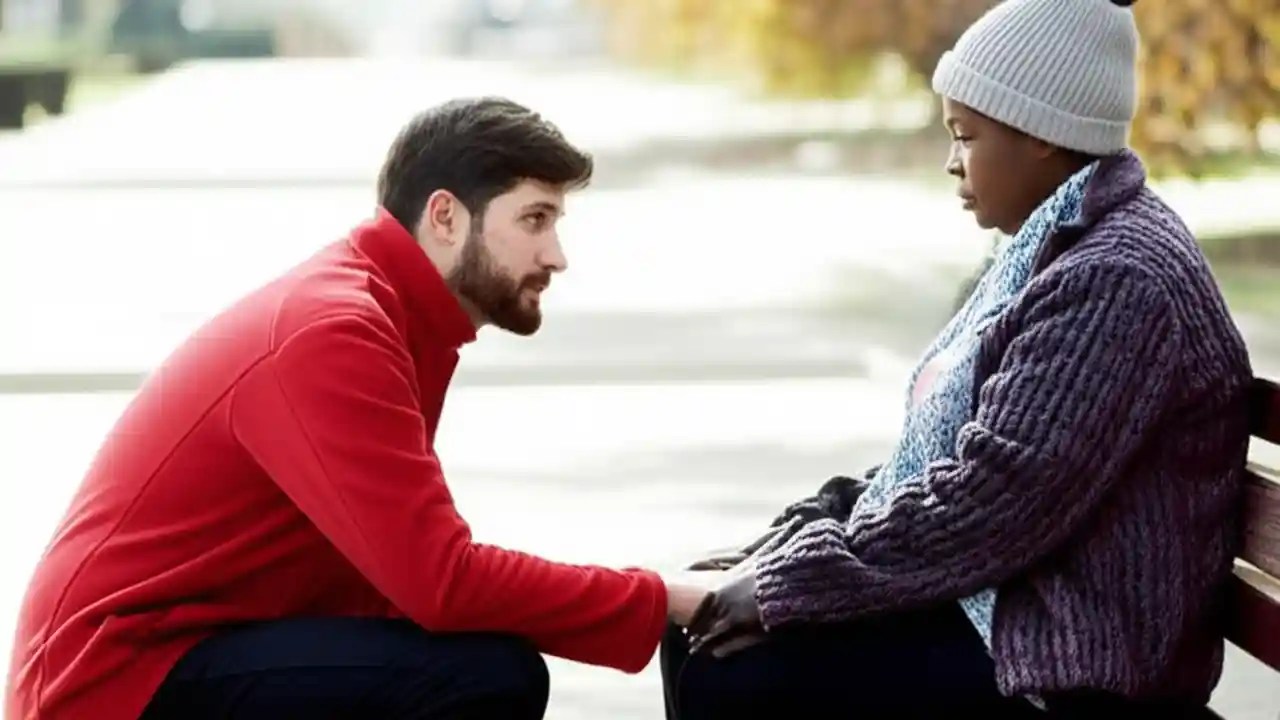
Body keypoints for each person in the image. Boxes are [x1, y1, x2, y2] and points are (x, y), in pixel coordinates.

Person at [5, 96, 713, 720]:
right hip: (114, 684)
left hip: (185, 652)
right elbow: (440, 582)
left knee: (475, 656)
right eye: (535, 219)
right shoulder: (335, 332)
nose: (556, 254)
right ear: (444, 216)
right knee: (483, 678)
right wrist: (672, 600)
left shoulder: (386, 316)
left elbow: (397, 579)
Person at [661, 0, 1254, 717]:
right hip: (1006, 609)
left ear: (1041, 135)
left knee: (734, 670)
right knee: (700, 629)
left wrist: (791, 582)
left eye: (965, 135)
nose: (951, 161)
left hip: (1073, 664)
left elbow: (993, 498)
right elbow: (945, 467)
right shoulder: (1058, 248)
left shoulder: (1117, 277)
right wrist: (792, 539)